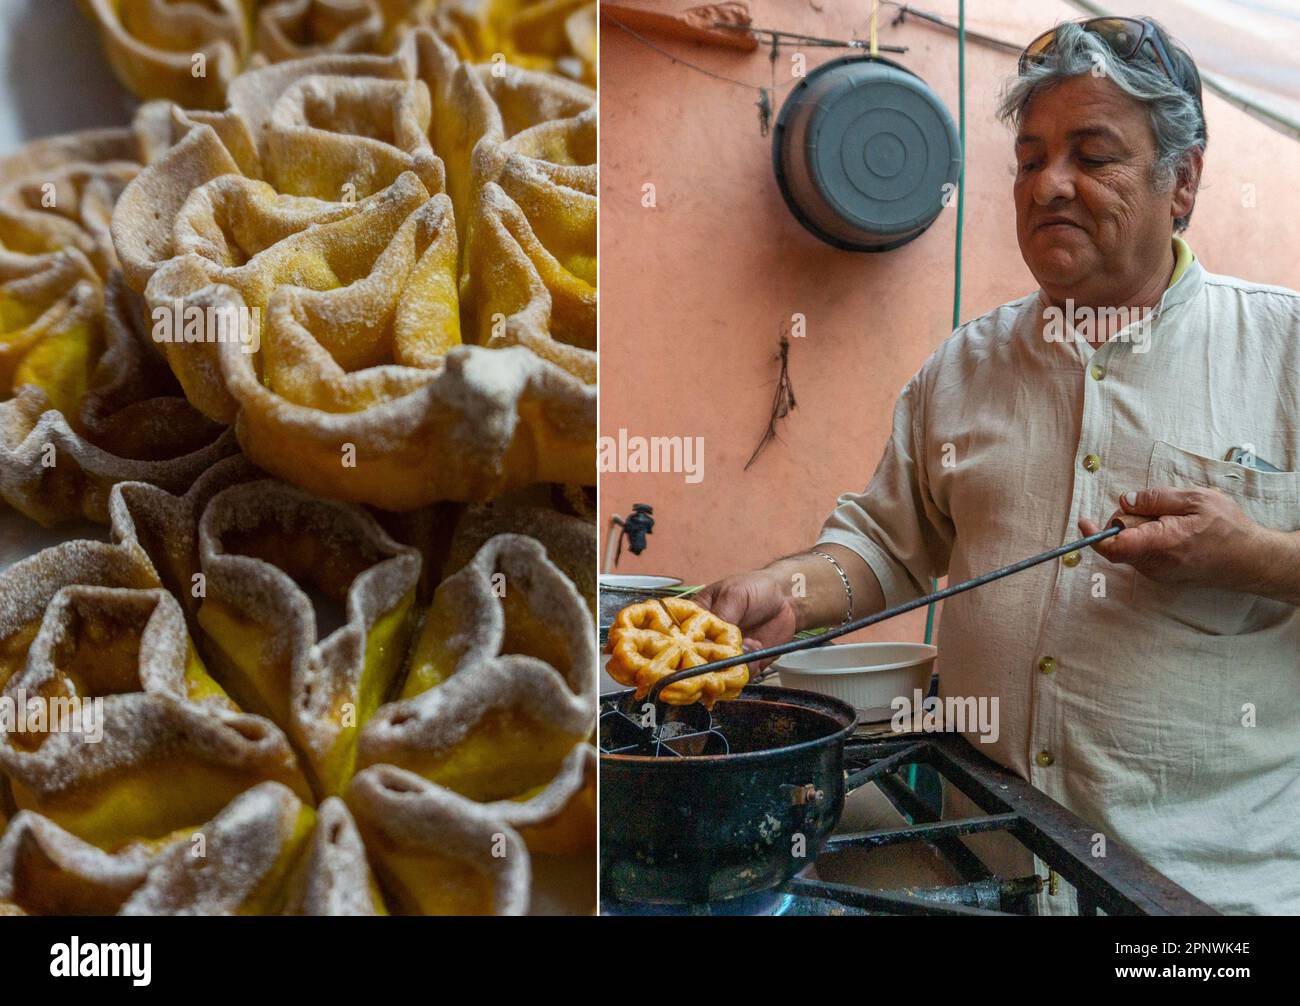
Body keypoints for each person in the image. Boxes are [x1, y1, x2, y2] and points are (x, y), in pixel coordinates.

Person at [695, 17, 1300, 915]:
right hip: (978, 866)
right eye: (1029, 158)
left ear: (1185, 181)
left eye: (1093, 156)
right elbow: (885, 551)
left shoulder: (1281, 350)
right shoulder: (964, 365)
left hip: (1203, 902)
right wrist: (790, 589)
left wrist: (1251, 557)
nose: (1049, 185)